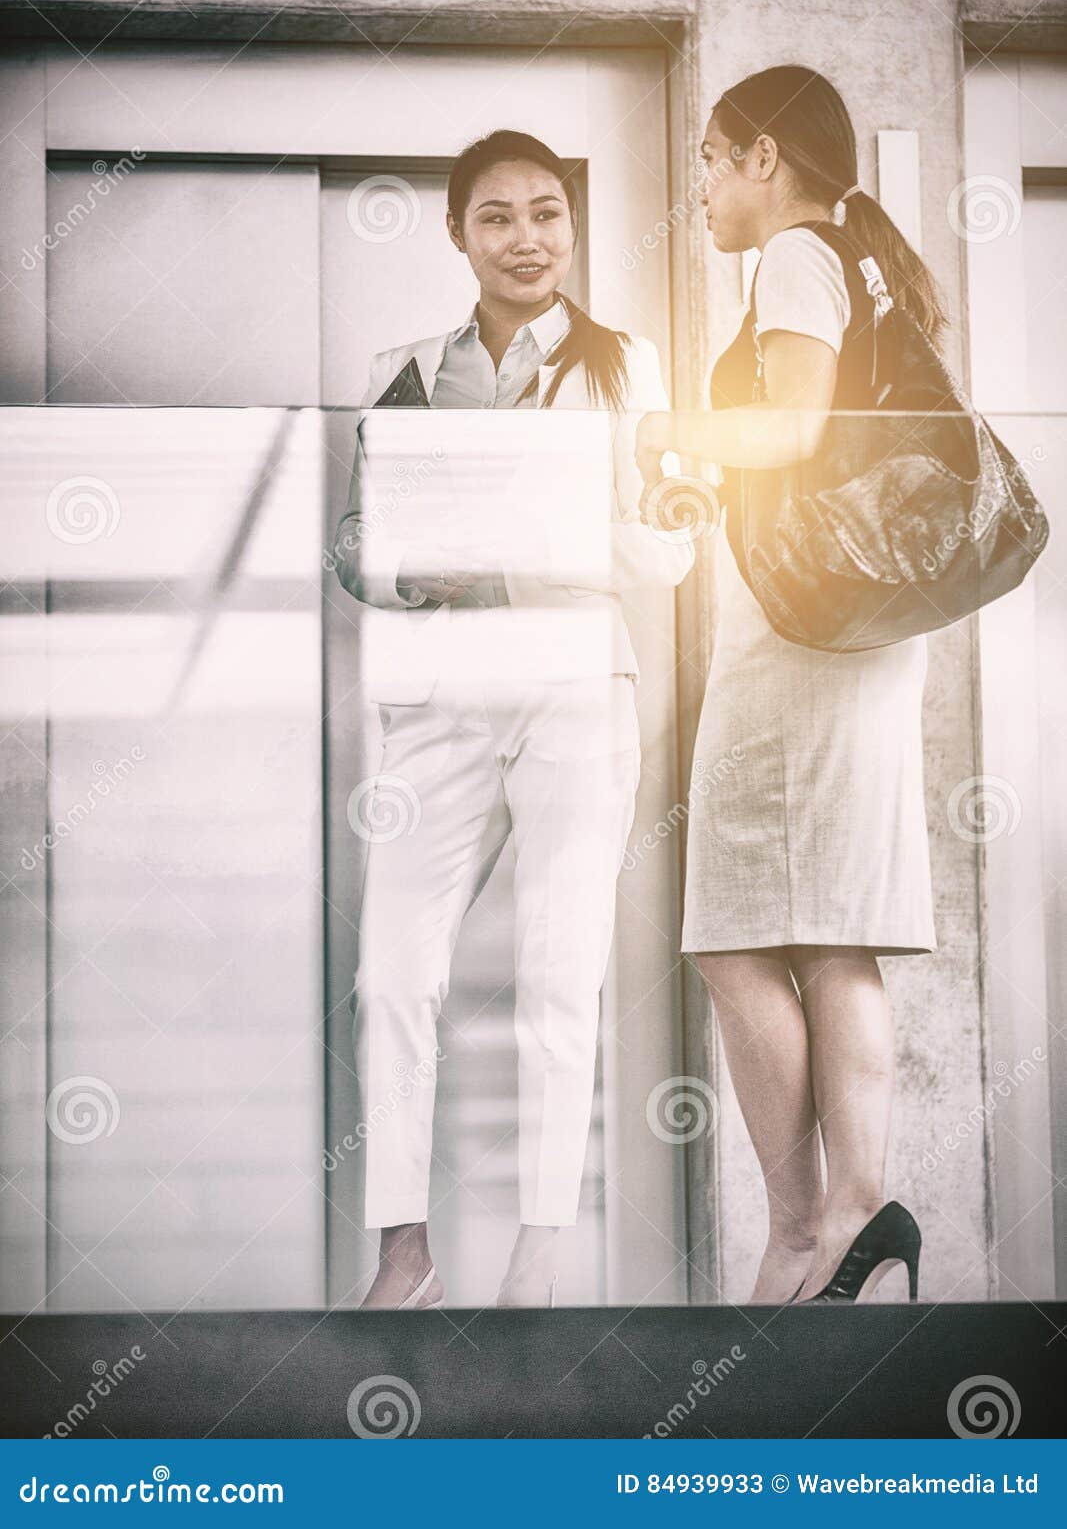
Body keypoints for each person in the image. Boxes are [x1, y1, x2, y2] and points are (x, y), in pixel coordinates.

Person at [334, 129, 693, 1309]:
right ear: (458, 234)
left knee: (558, 964)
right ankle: (402, 1249)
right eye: (497, 218)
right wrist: (413, 572)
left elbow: (669, 548)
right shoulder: (405, 369)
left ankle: (543, 1246)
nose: (526, 238)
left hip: (573, 676)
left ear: (571, 228)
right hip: (442, 685)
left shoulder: (624, 366)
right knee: (391, 970)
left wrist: (548, 534)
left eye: (547, 213)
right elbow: (353, 547)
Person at [637, 67, 941, 1305]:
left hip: (797, 633)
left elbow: (796, 428)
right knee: (833, 932)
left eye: (711, 159)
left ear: (764, 157)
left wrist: (665, 431)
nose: (702, 187)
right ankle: (859, 1216)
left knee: (731, 929)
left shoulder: (796, 256)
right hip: (868, 626)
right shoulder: (867, 262)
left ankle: (805, 1227)